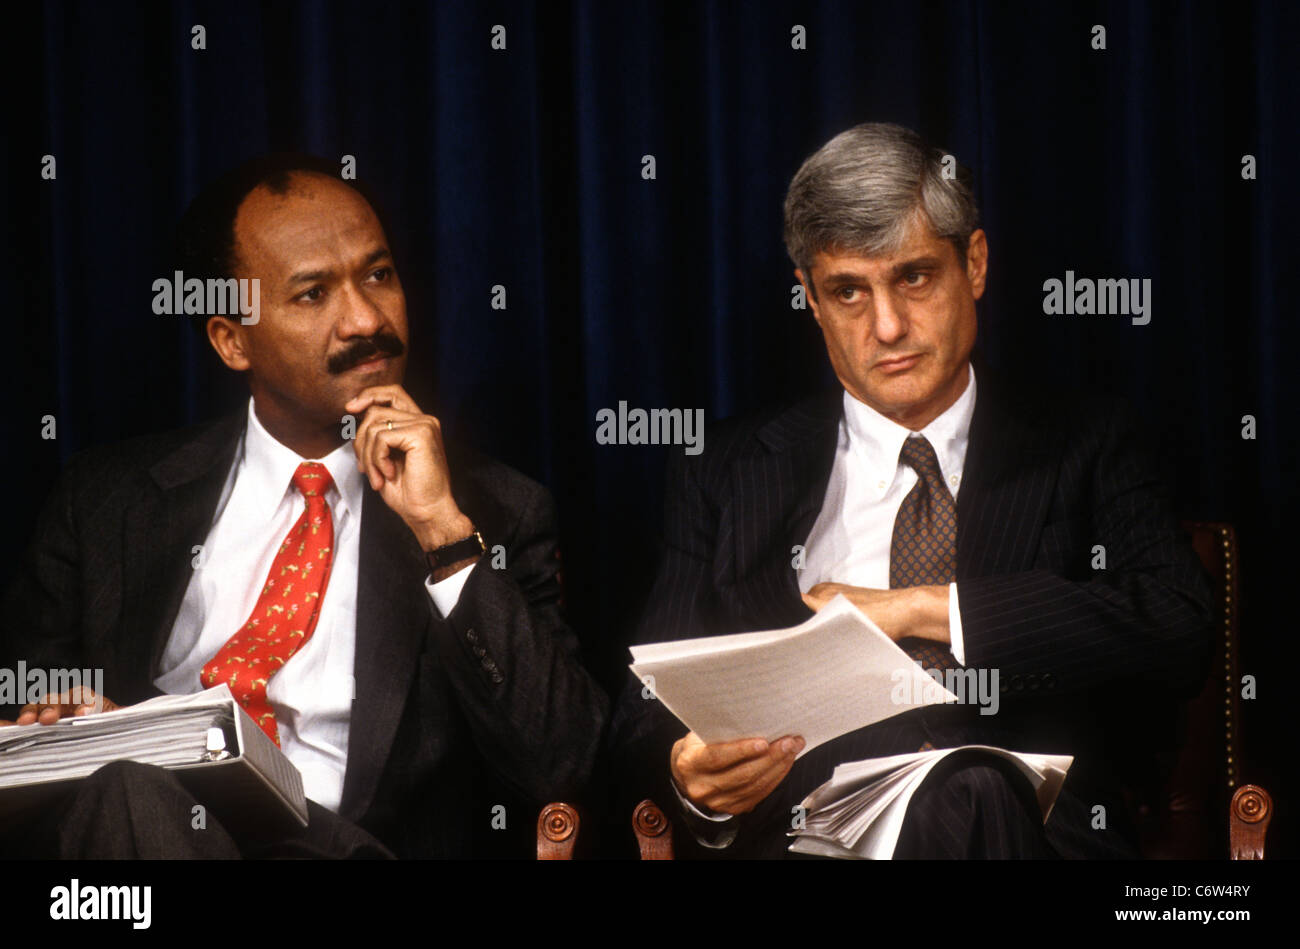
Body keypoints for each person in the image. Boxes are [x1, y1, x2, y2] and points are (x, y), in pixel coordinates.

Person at [612, 123, 1214, 858]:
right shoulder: (725, 469)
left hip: (1030, 834)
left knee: (969, 793)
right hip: (807, 840)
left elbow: (1181, 626)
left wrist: (921, 610)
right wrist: (690, 777)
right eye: (848, 292)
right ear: (810, 298)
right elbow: (644, 709)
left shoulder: (1086, 442)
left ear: (977, 263)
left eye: (914, 277)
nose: (888, 326)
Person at [0, 154, 608, 858]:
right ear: (232, 340)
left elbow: (568, 762)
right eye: (313, 294)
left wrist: (443, 534)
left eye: (378, 275)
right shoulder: (107, 499)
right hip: (150, 836)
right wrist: (66, 724)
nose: (363, 318)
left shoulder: (495, 510)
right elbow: (22, 722)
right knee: (128, 793)